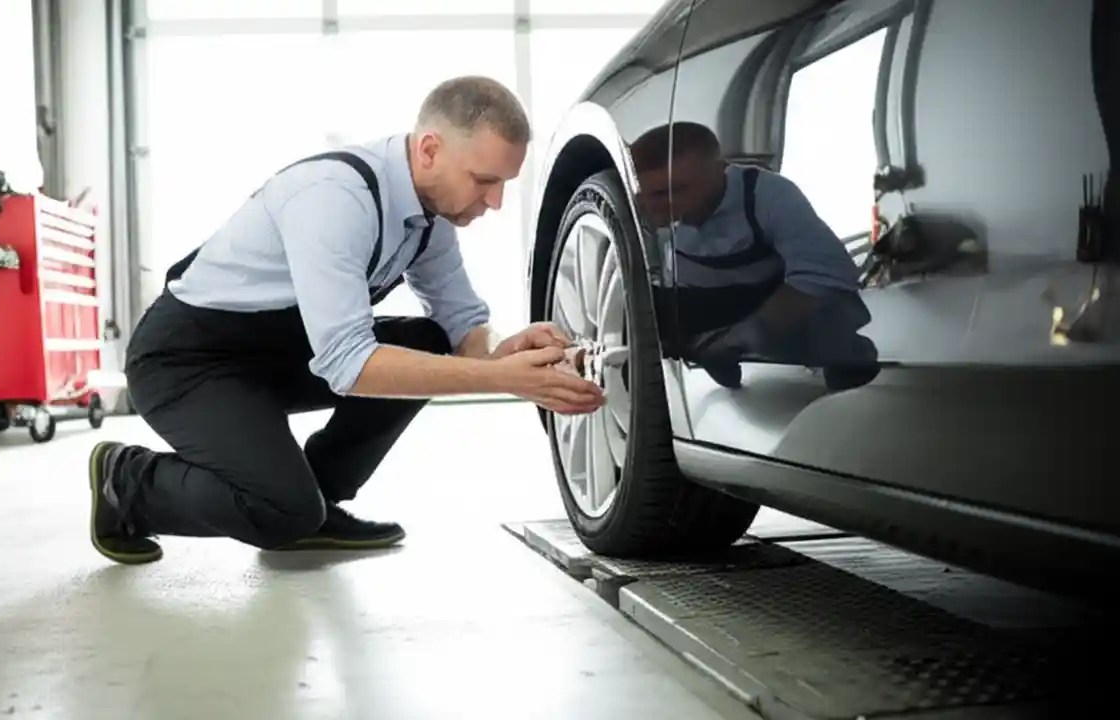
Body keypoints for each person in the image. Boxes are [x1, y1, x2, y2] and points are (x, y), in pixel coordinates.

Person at [88, 76, 605, 565]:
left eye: (503, 185)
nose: (495, 202)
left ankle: (316, 495)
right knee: (280, 512)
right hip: (188, 364)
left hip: (276, 353)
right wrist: (498, 380)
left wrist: (508, 352)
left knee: (428, 339)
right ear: (429, 150)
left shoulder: (430, 221)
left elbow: (464, 328)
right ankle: (127, 483)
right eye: (484, 181)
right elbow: (347, 364)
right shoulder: (334, 198)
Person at [631, 121, 879, 391]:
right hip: (703, 304)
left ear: (718, 171)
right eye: (648, 196)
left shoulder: (768, 194)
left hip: (775, 301)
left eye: (674, 191)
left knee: (833, 313)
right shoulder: (644, 215)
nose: (654, 208)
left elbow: (825, 276)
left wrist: (745, 334)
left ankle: (849, 384)